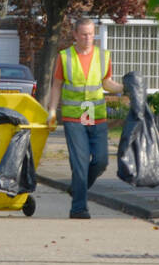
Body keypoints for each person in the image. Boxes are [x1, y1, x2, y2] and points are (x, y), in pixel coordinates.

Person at [44, 17, 124, 218]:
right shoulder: (65, 57)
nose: (89, 38)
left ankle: (77, 188)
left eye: (91, 34)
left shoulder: (103, 56)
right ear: (75, 35)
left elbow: (106, 83)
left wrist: (124, 88)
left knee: (101, 161)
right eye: (84, 34)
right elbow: (56, 86)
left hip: (97, 118)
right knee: (80, 162)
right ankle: (79, 208)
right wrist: (52, 111)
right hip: (74, 119)